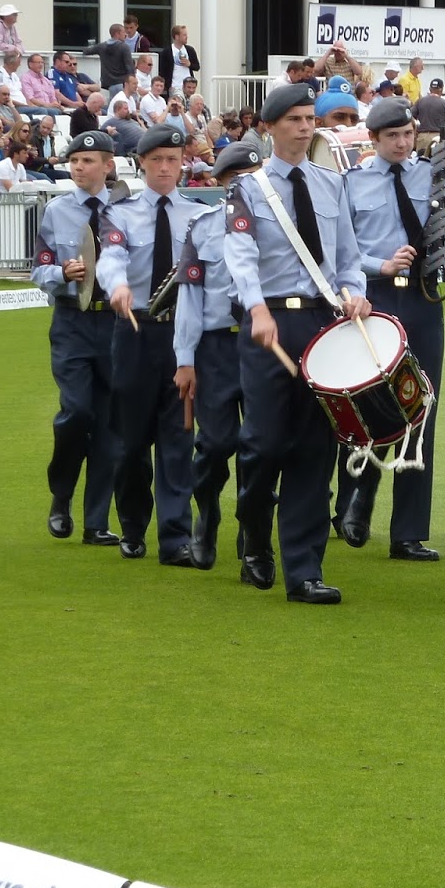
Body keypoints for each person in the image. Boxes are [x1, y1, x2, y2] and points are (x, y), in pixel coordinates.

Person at [222, 82, 372, 604]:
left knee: (315, 446)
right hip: (270, 326)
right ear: (269, 127)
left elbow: (348, 258)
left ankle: (304, 570)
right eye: (295, 119)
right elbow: (239, 257)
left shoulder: (333, 185)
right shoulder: (247, 189)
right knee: (263, 446)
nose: (306, 127)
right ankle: (255, 537)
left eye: (311, 118)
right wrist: (256, 308)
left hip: (324, 325)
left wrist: (356, 294)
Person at [335, 97, 445, 560]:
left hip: (421, 299)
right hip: (373, 297)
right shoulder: (350, 184)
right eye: (391, 136)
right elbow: (338, 253)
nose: (401, 142)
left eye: (407, 134)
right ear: (373, 139)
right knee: (368, 404)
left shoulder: (431, 176)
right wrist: (380, 263)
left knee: (421, 407)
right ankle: (356, 499)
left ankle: (409, 531)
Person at [96, 125, 210, 564]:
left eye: (173, 160)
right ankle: (132, 523)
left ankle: (175, 536)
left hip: (183, 334)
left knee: (179, 435)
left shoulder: (199, 215)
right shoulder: (120, 213)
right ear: (141, 162)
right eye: (157, 160)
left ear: (184, 163)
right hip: (135, 331)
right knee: (130, 442)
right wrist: (118, 286)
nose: (165, 168)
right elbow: (112, 255)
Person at [172, 141, 263, 570]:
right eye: (233, 182)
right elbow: (188, 298)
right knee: (215, 444)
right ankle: (206, 519)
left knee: (260, 445)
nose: (241, 189)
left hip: (262, 339)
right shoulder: (202, 227)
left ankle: (253, 534)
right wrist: (184, 359)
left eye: (250, 179)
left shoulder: (279, 223)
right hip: (217, 346)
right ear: (218, 184)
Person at [33, 131, 124, 547]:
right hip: (72, 322)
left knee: (109, 426)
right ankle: (61, 494)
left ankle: (96, 522)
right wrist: (60, 275)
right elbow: (39, 270)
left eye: (88, 160)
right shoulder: (55, 211)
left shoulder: (127, 210)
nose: (79, 167)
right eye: (75, 161)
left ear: (108, 166)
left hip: (116, 325)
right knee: (77, 413)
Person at [90, 23, 136, 91]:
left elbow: (86, 51)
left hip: (106, 85)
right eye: (123, 32)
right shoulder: (124, 47)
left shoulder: (101, 46)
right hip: (121, 84)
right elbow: (129, 67)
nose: (125, 34)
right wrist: (133, 81)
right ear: (117, 34)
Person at [159, 24, 201, 95]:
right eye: (184, 35)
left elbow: (197, 67)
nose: (187, 37)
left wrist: (189, 64)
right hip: (175, 86)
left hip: (189, 87)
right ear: (177, 36)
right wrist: (167, 86)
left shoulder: (190, 50)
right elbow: (163, 71)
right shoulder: (167, 51)